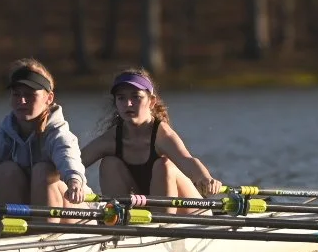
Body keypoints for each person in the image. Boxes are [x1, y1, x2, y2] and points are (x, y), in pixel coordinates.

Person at [81, 68, 223, 201]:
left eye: (136, 97)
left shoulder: (162, 135)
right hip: (147, 208)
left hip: (187, 210)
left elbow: (187, 160)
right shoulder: (110, 139)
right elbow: (72, 164)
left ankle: (163, 222)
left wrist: (205, 178)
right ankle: (121, 218)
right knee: (109, 164)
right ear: (116, 103)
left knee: (164, 165)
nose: (128, 104)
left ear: (151, 102)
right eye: (121, 98)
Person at [0, 59, 88, 209]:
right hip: (24, 216)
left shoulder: (57, 133)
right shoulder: (3, 138)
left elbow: (67, 155)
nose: (22, 101)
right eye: (16, 94)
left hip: (70, 210)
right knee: (6, 170)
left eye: (29, 95)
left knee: (42, 171)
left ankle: (44, 229)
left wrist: (74, 180)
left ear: (49, 98)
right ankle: (11, 230)